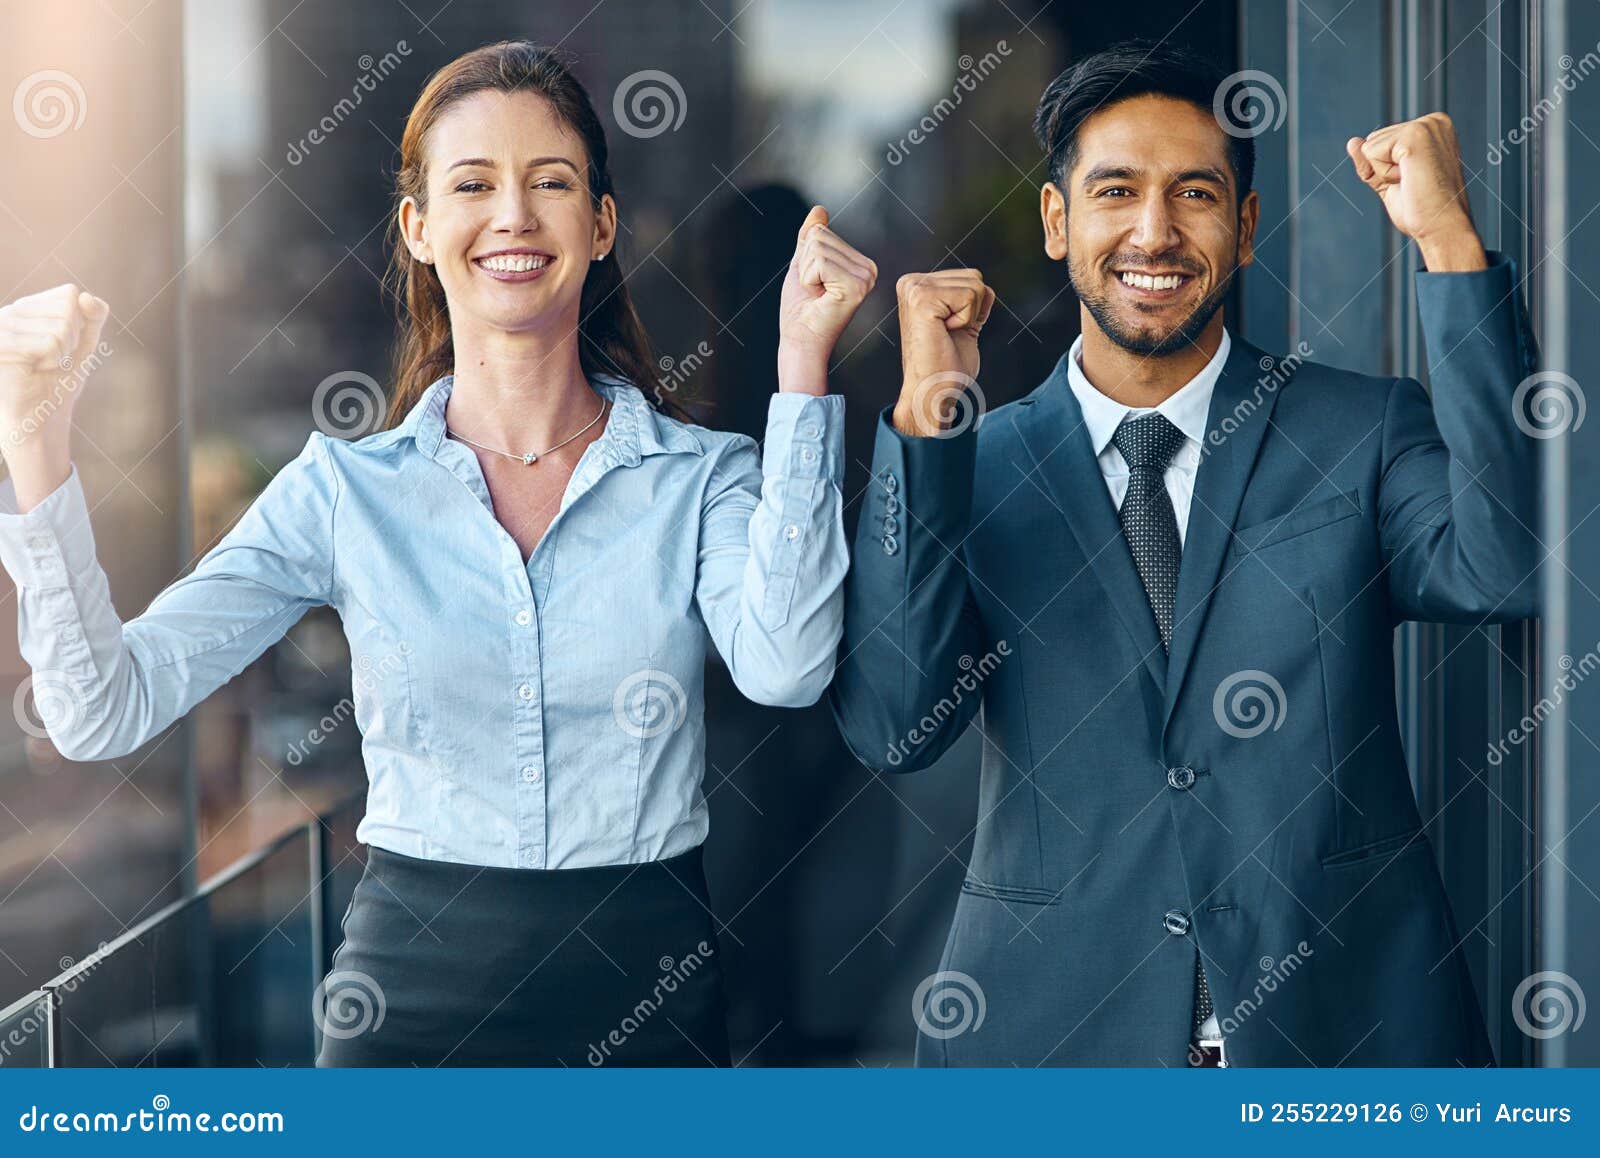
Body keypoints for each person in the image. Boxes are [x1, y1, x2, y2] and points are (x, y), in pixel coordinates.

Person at [0, 40, 877, 1067]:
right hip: (405, 1011)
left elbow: (788, 664)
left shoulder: (702, 477)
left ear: (599, 226)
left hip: (648, 992)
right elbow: (103, 710)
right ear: (420, 228)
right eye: (473, 184)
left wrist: (801, 373)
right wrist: (35, 442)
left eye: (550, 183)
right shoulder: (344, 493)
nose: (512, 215)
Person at [829, 39, 1540, 1067]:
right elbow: (895, 726)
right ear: (1056, 221)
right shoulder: (972, 468)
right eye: (1115, 191)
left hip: (1344, 1034)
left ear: (1244, 228)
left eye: (1194, 194)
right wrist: (924, 427)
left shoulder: (1359, 431)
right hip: (1051, 1043)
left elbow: (1508, 562)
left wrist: (1448, 244)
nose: (1153, 233)